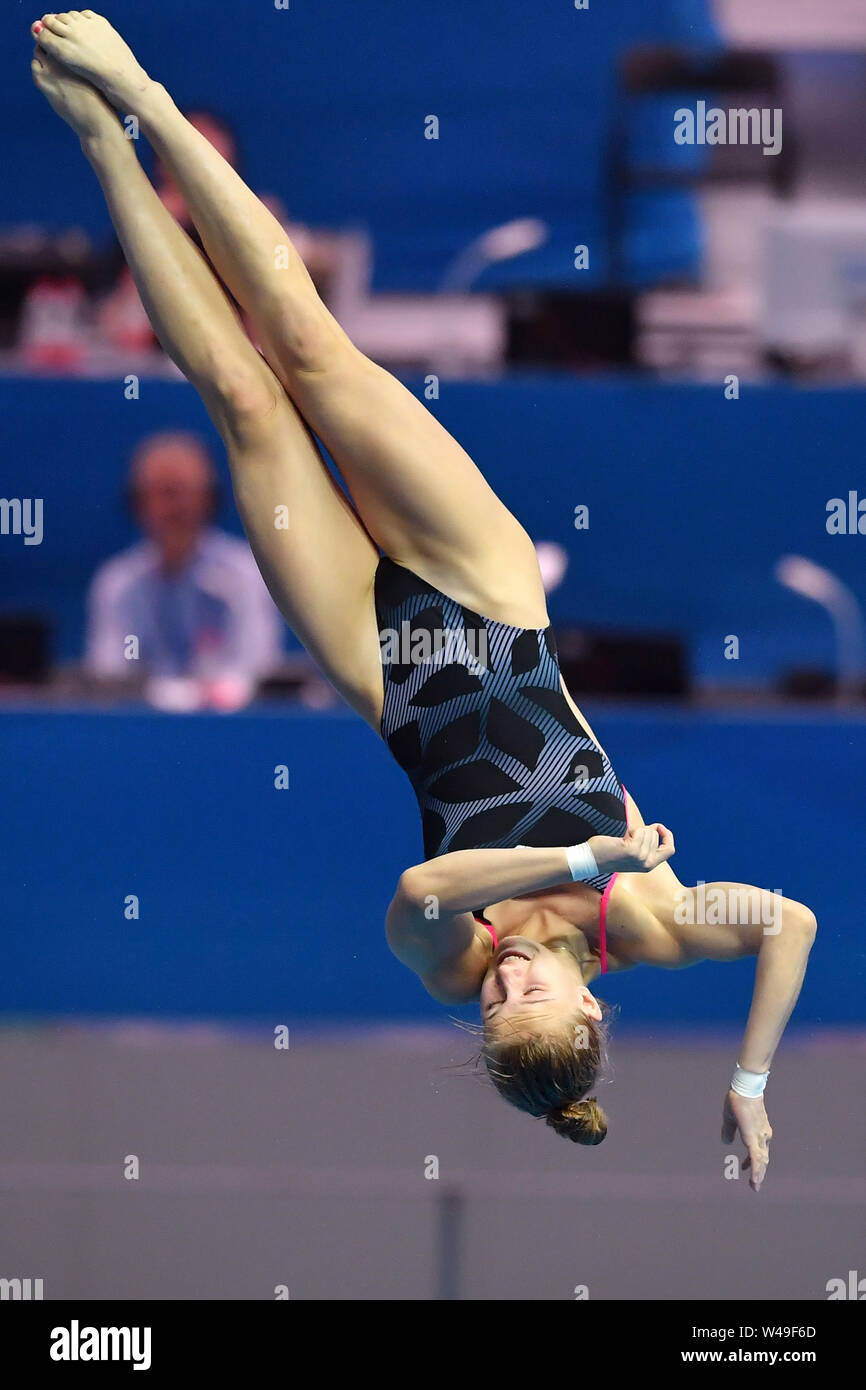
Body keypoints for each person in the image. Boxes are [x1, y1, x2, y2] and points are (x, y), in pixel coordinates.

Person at [31, 12, 817, 1189]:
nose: (501, 981)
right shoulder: (647, 929)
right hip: (488, 597)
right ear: (592, 1016)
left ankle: (99, 142)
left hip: (385, 669)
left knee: (243, 402)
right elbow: (791, 924)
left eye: (496, 1001)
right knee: (308, 347)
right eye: (526, 992)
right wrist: (749, 1079)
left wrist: (595, 855)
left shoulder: (453, 958)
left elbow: (421, 888)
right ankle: (141, 92)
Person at [85, 430, 283, 683]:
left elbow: (258, 670)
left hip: (225, 720)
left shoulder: (247, 573)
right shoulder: (117, 583)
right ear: (136, 502)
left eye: (187, 492)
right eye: (164, 493)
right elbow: (108, 679)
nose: (176, 509)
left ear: (211, 499)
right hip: (143, 721)